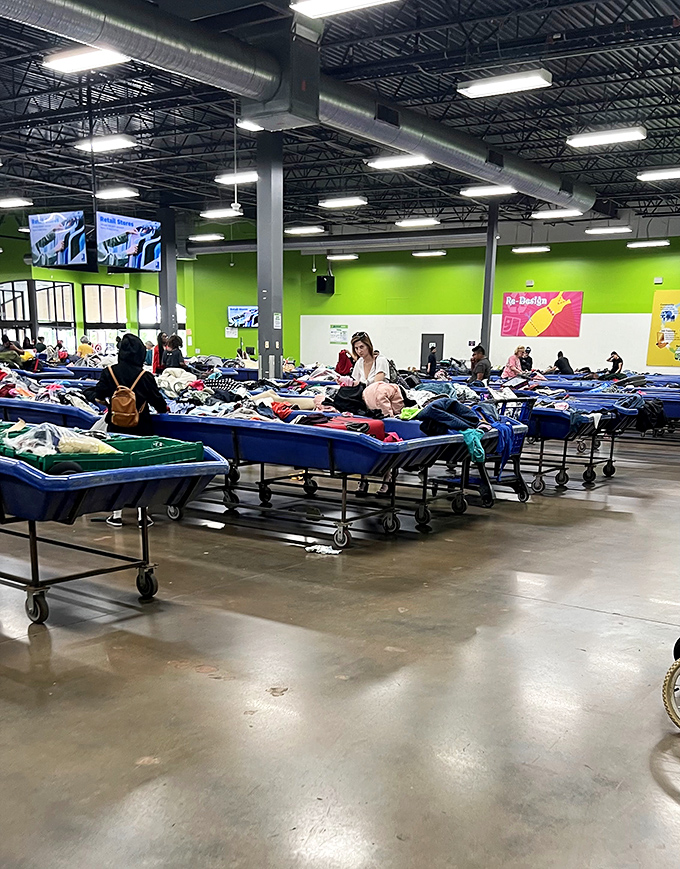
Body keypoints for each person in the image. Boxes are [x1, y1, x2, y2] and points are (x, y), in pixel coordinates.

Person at [95, 334, 170, 528]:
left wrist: (113, 406)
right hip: (141, 428)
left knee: (118, 469)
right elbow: (159, 403)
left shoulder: (108, 372)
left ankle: (116, 515)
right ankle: (142, 515)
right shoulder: (145, 376)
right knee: (142, 470)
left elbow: (98, 397)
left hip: (115, 428)